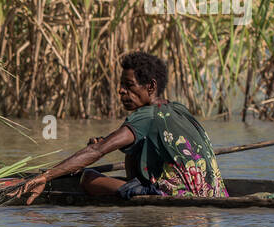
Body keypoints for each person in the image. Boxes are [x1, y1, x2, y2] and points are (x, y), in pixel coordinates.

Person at [16, 52, 228, 204]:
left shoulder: (146, 115)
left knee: (88, 177)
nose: (121, 91)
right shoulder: (177, 108)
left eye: (129, 85)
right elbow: (120, 143)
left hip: (178, 196)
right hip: (215, 193)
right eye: (121, 85)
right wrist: (108, 140)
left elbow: (97, 152)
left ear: (151, 86)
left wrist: (46, 176)